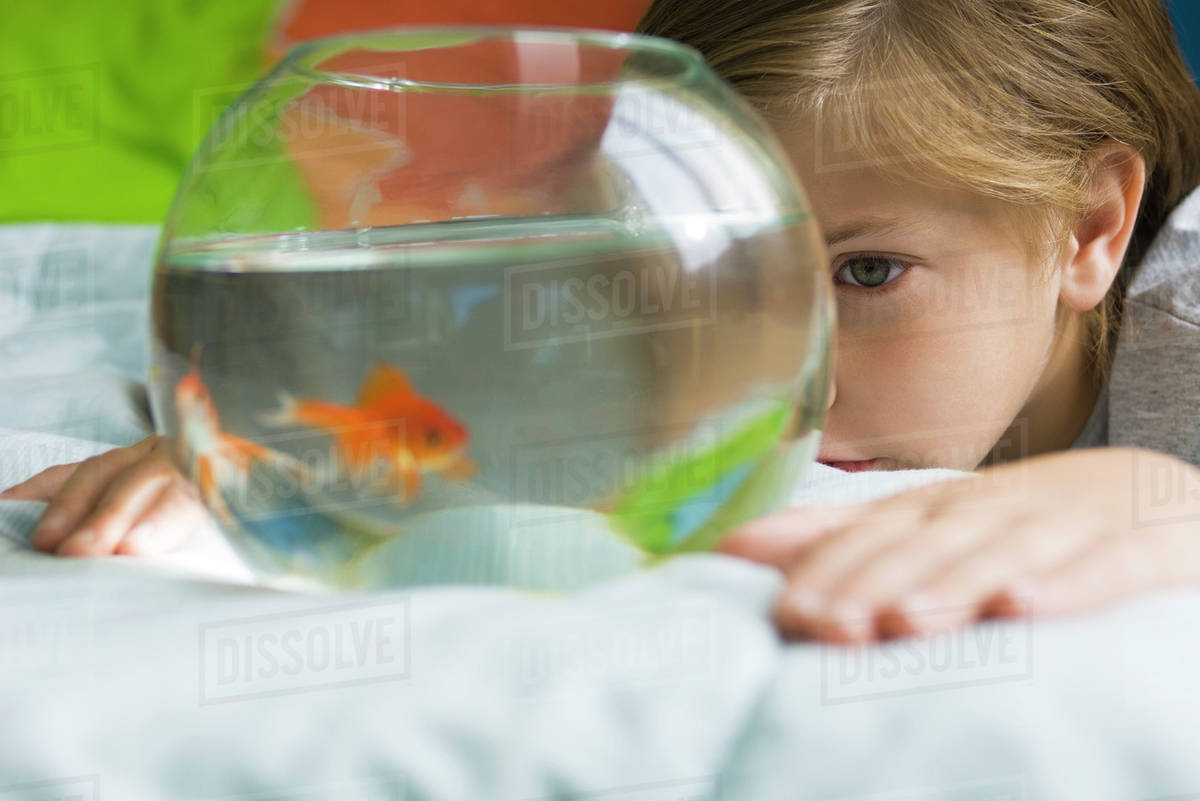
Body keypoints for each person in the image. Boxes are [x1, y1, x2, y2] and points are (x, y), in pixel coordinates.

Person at [6, 0, 1200, 645]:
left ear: (1092, 229)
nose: (782, 374)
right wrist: (265, 444)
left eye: (868, 273)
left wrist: (1164, 500)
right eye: (732, 273)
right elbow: (426, 369)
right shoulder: (665, 311)